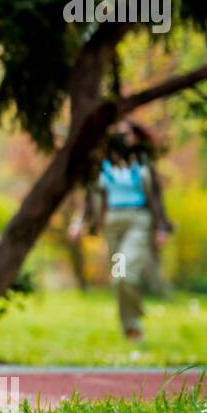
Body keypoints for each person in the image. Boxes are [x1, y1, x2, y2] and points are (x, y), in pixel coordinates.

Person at [68, 120, 174, 342]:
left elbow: (156, 197)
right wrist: (79, 221)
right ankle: (131, 325)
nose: (125, 138)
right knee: (118, 277)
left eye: (128, 133)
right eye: (120, 133)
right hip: (113, 223)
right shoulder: (104, 165)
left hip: (139, 220)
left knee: (127, 273)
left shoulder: (143, 164)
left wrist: (162, 226)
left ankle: (135, 318)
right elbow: (91, 198)